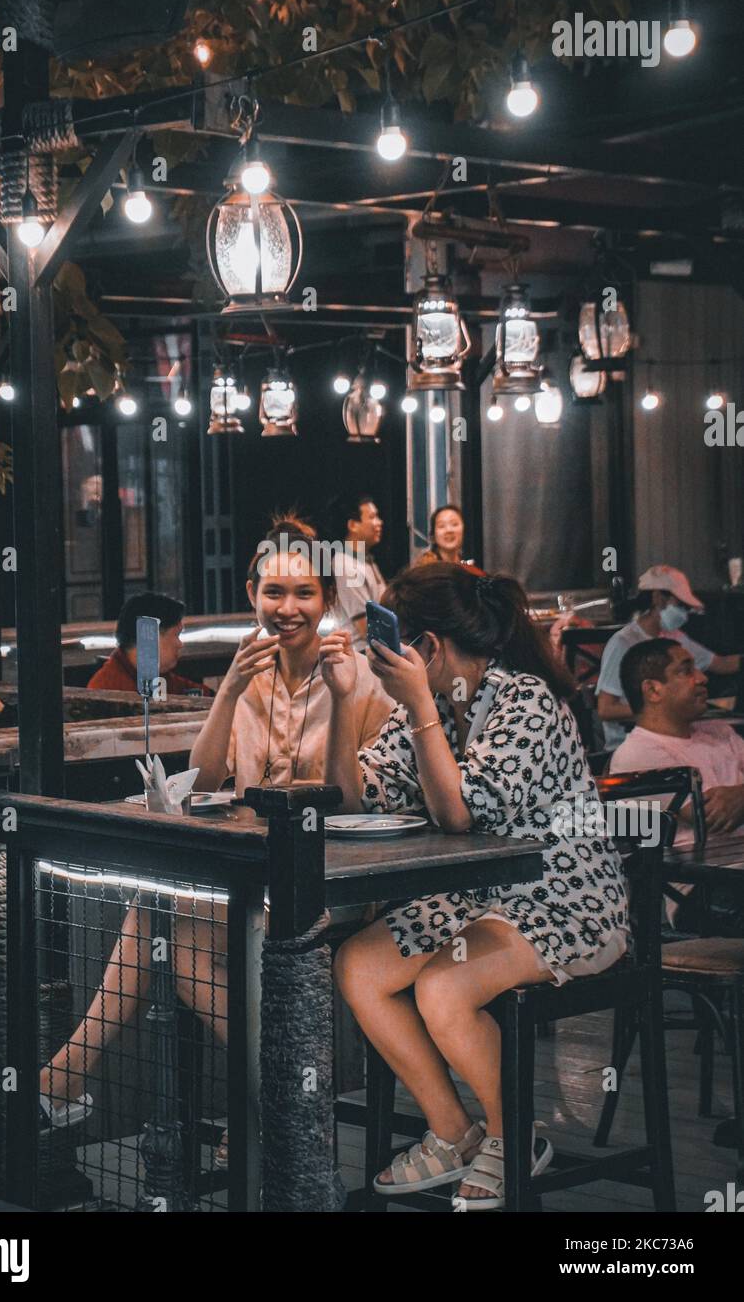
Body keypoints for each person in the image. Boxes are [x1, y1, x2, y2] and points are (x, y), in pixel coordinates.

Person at [39, 518, 393, 1145]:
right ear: (253, 593)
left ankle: (63, 1079)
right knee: (166, 925)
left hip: (332, 877)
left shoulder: (359, 678)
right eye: (273, 592)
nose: (287, 608)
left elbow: (350, 801)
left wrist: (339, 702)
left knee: (162, 919)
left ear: (328, 601)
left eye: (304, 593)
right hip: (253, 873)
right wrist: (227, 690)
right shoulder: (250, 673)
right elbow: (201, 778)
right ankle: (281, 1094)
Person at [322, 561, 629, 1210]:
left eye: (392, 643)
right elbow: (352, 797)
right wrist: (346, 703)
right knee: (358, 966)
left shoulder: (526, 701)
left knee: (443, 986)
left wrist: (416, 709)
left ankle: (514, 1135)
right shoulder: (428, 706)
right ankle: (452, 1131)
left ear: (427, 646)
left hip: (561, 900)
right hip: (473, 899)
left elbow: (466, 811)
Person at [610, 638, 744, 932]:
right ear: (653, 689)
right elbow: (712, 815)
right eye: (686, 671)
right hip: (704, 891)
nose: (702, 678)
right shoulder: (639, 754)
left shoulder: (719, 732)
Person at [596, 565, 740, 750]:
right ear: (658, 598)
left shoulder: (674, 637)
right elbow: (606, 709)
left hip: (671, 735)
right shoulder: (623, 642)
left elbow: (722, 664)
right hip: (630, 742)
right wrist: (666, 710)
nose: (685, 613)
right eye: (680, 605)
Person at [86, 592, 212, 697]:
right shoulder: (108, 691)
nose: (180, 644)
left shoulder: (155, 676)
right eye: (176, 635)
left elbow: (203, 696)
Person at [327, 493, 387, 645]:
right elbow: (366, 627)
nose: (379, 522)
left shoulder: (365, 560)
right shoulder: (345, 565)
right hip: (362, 655)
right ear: (353, 525)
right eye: (372, 517)